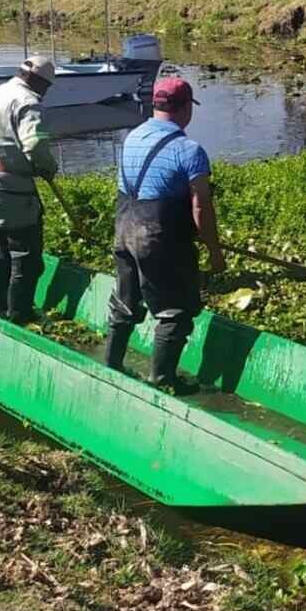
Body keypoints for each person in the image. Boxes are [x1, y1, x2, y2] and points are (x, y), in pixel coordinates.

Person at [104, 77, 226, 392]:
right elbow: (201, 209)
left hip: (124, 229)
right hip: (157, 236)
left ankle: (111, 364)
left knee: (125, 301)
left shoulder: (132, 136)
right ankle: (163, 380)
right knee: (175, 311)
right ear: (185, 108)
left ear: (156, 105)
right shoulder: (190, 150)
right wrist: (214, 252)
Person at [0, 55, 59, 323]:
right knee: (26, 255)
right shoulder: (29, 104)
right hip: (6, 189)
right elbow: (35, 145)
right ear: (38, 82)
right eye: (46, 86)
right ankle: (20, 314)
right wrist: (48, 167)